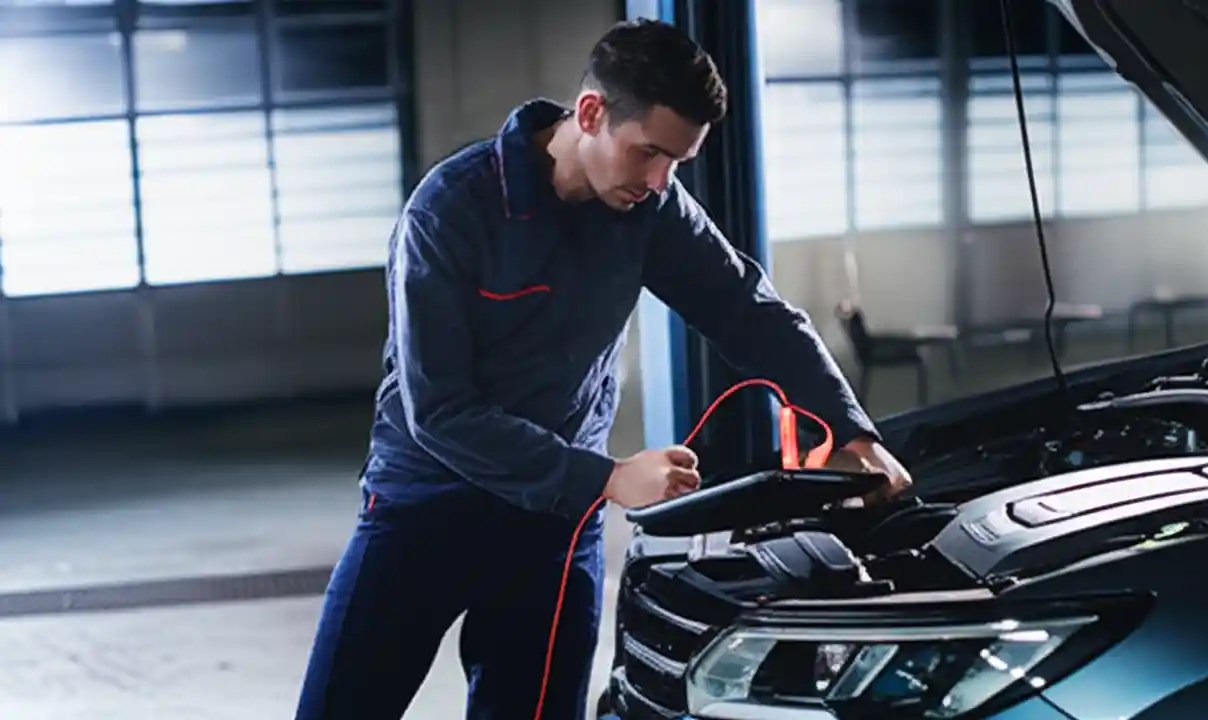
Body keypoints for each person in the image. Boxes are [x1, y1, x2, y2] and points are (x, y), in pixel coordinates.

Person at [293, 18, 913, 720]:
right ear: (590, 113)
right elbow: (439, 411)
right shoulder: (450, 211)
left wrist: (851, 430)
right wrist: (610, 478)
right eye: (646, 153)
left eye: (676, 162)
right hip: (425, 505)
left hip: (552, 526)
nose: (658, 181)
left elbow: (749, 310)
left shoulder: (653, 209)